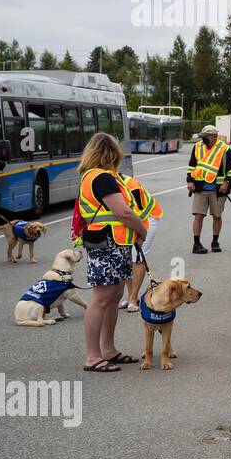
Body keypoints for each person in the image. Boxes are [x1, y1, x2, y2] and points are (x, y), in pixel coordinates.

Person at [77, 132, 148, 372]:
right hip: (108, 245)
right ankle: (93, 355)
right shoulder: (102, 178)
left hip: (112, 243)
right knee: (101, 299)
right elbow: (124, 212)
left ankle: (107, 350)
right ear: (110, 154)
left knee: (114, 295)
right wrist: (142, 230)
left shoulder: (93, 176)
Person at [186, 124, 231, 254]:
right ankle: (196, 244)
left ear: (214, 136)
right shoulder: (197, 146)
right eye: (203, 136)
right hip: (200, 188)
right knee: (198, 215)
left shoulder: (224, 149)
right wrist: (190, 180)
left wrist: (227, 183)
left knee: (217, 216)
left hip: (218, 190)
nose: (204, 138)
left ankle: (215, 242)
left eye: (206, 136)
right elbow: (192, 165)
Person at [121, 173, 163, 313]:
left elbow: (137, 213)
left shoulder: (129, 184)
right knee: (126, 256)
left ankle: (133, 298)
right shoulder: (107, 185)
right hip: (128, 220)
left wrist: (140, 233)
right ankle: (130, 295)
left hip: (147, 218)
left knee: (137, 256)